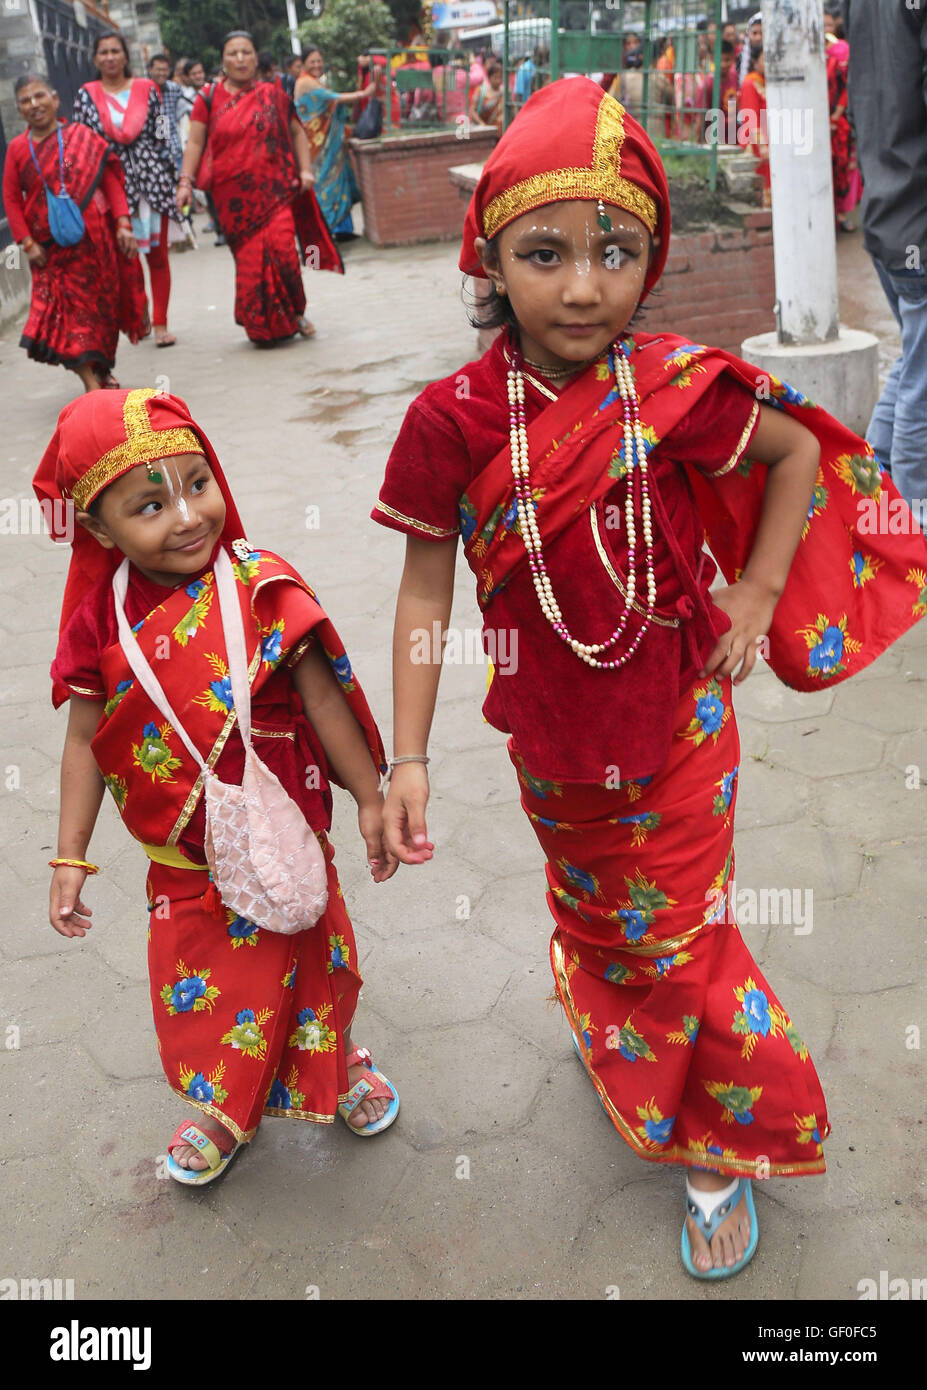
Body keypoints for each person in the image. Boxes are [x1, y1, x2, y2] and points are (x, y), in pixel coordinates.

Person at [372, 79, 927, 1278]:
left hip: (682, 731)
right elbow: (425, 595)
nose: (583, 285)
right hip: (551, 750)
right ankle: (605, 1012)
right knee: (599, 921)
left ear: (649, 258)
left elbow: (792, 454)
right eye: (545, 252)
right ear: (491, 256)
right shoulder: (449, 423)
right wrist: (406, 757)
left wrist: (761, 593)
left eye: (615, 251)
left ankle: (723, 1139)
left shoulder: (675, 386)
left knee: (680, 943)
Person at [36, 387, 401, 1185]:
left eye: (197, 484)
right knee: (207, 990)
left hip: (281, 836)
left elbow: (322, 701)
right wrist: (71, 856)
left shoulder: (260, 585)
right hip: (184, 862)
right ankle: (226, 1110)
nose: (188, 517)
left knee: (309, 953)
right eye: (148, 505)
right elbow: (84, 743)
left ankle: (335, 1067)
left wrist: (372, 798)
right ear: (98, 529)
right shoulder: (99, 622)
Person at [177, 30, 343, 345]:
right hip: (233, 200)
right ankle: (261, 328)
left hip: (277, 192)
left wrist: (306, 171)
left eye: (246, 52)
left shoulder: (275, 94)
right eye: (232, 53)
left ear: (256, 57)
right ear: (223, 60)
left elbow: (298, 133)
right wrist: (185, 182)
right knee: (251, 262)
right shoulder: (207, 99)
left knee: (284, 255)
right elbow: (195, 142)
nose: (240, 59)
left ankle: (296, 311)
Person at [3, 74, 148, 392]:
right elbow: (12, 200)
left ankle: (102, 368)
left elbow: (109, 182)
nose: (34, 105)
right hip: (48, 252)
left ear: (55, 99)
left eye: (39, 96)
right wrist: (27, 243)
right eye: (26, 101)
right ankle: (89, 382)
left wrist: (123, 223)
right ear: (18, 110)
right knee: (69, 315)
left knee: (101, 309)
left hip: (95, 245)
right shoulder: (16, 149)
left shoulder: (82, 136)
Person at [846, 1, 927, 523]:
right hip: (917, 216)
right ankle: (916, 528)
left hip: (887, 213)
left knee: (909, 367)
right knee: (920, 386)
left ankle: (867, 502)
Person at [73, 32, 182, 347]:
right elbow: (81, 142)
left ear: (125, 56)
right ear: (95, 59)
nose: (109, 57)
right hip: (110, 186)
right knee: (127, 261)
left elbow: (163, 133)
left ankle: (161, 324)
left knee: (158, 257)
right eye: (103, 52)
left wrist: (173, 180)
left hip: (151, 183)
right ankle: (140, 319)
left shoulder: (148, 90)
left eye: (115, 51)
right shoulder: (86, 95)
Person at [294, 47, 373, 238]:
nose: (316, 65)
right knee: (325, 186)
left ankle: (342, 229)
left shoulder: (313, 81)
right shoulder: (305, 82)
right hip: (318, 147)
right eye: (312, 61)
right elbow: (334, 99)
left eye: (319, 61)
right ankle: (323, 231)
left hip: (327, 144)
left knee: (336, 182)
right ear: (304, 64)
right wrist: (363, 93)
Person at [826, 36, 860, 234]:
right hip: (822, 124)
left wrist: (837, 114)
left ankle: (841, 215)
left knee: (843, 169)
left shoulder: (840, 62)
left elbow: (847, 90)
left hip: (842, 126)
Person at [737, 43, 769, 206]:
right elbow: (750, 118)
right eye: (765, 59)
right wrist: (762, 146)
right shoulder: (751, 83)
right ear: (755, 62)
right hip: (757, 146)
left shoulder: (766, 82)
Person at [147, 53, 183, 174]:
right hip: (151, 152)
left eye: (165, 70)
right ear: (150, 70)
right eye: (158, 69)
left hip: (174, 147)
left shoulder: (175, 89)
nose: (162, 73)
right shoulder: (143, 90)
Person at [469, 57, 504, 132]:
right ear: (489, 77)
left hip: (502, 132)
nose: (498, 81)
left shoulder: (505, 92)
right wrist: (481, 123)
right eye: (495, 77)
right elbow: (472, 111)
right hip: (487, 132)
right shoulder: (480, 91)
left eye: (500, 77)